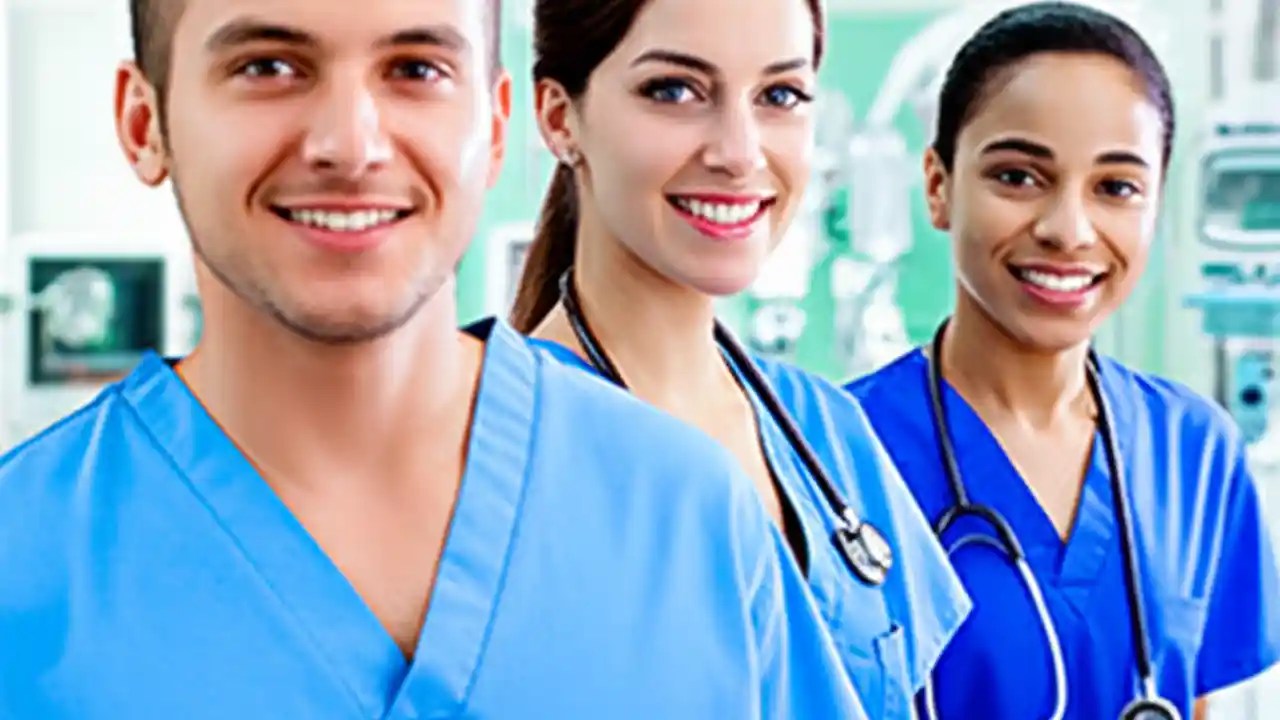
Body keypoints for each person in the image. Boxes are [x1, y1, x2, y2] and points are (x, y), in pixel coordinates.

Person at [0, 1, 870, 717]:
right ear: (144, 123)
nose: (351, 145)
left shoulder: (688, 516)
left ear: (495, 127)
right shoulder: (23, 558)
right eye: (269, 67)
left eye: (415, 69)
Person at [510, 0, 971, 717]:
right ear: (559, 117)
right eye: (674, 90)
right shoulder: (503, 449)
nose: (741, 152)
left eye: (779, 96)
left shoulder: (826, 432)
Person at [845, 3, 1280, 719]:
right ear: (938, 186)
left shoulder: (1194, 452)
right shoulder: (838, 452)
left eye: (1116, 188)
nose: (1068, 230)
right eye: (1018, 176)